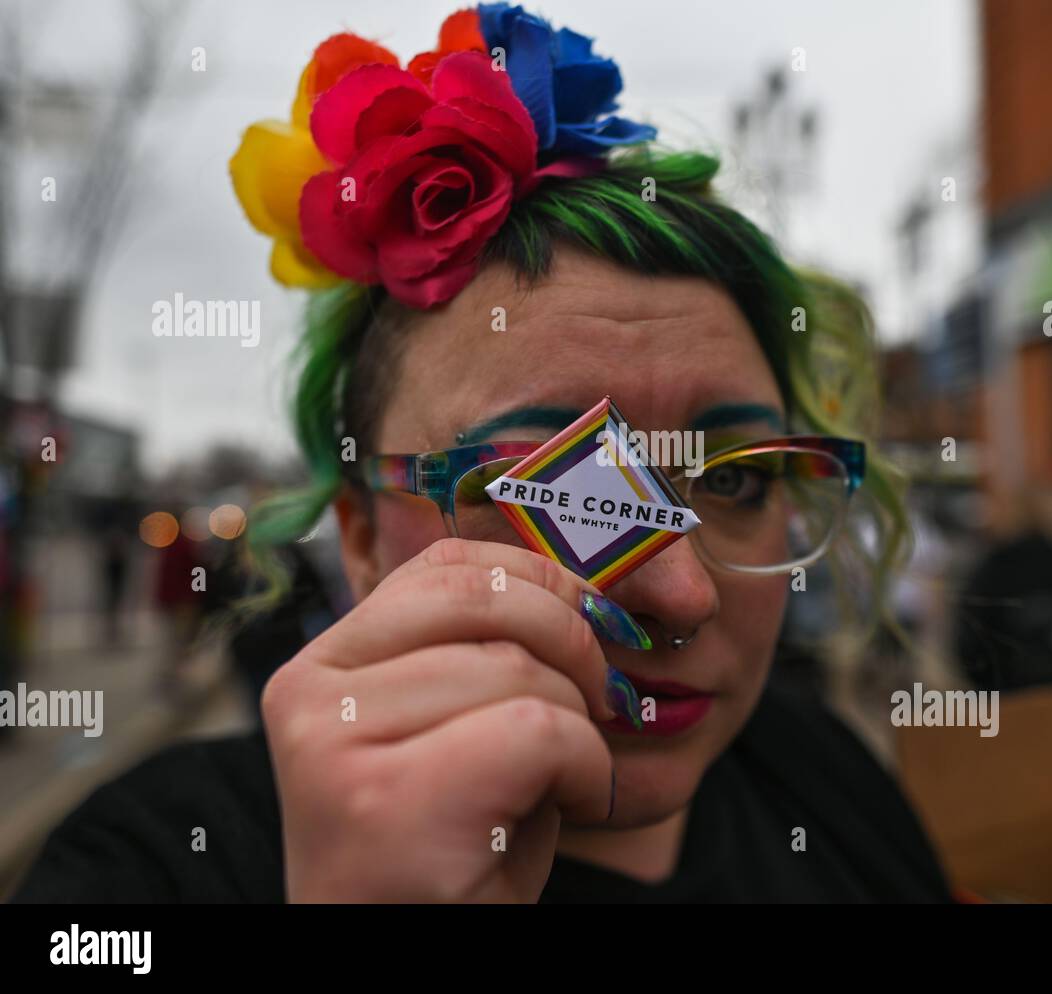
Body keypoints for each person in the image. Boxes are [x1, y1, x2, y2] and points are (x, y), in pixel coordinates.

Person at [11, 4, 949, 903]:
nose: (684, 596)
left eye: (738, 478)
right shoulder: (149, 866)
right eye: (556, 486)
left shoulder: (824, 777)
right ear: (362, 542)